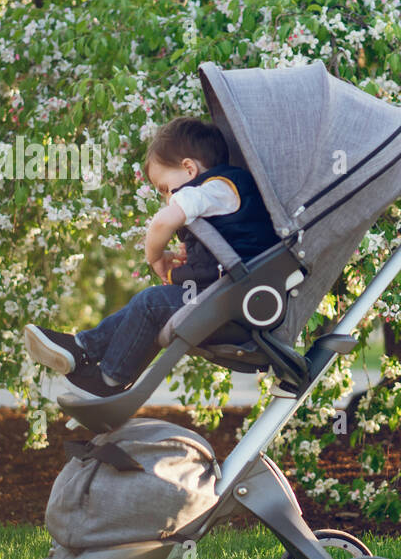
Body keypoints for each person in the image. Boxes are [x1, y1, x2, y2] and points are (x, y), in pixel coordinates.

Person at [23, 116, 277, 398]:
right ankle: (82, 347)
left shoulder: (212, 188)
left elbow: (161, 223)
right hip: (227, 298)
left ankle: (109, 379)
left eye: (165, 189)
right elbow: (228, 243)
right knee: (147, 304)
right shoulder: (223, 194)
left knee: (151, 302)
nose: (168, 198)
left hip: (232, 304)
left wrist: (155, 257)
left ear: (189, 169)